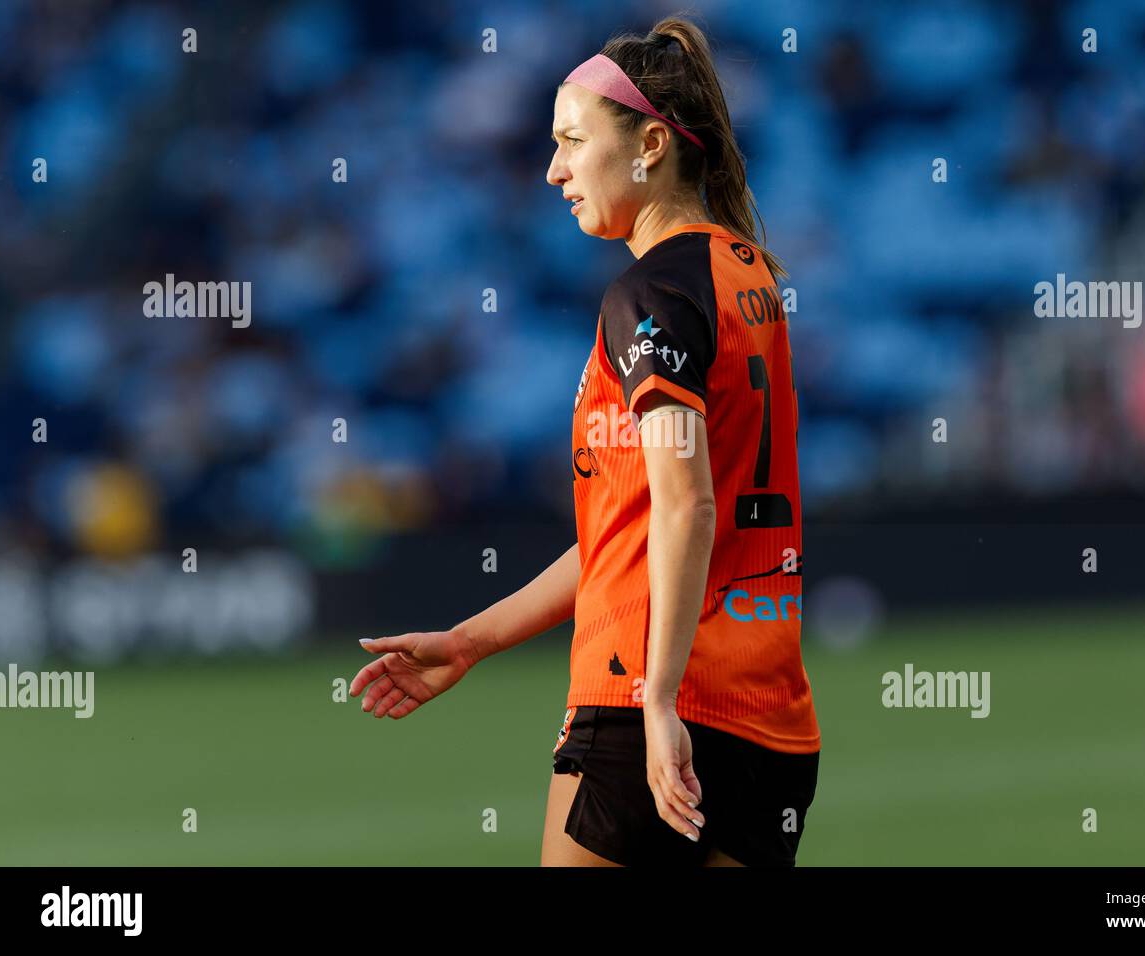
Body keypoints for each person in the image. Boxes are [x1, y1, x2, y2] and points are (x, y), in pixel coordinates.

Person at [350, 16, 820, 867]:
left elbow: (686, 503)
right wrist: (471, 641)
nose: (554, 170)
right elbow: (632, 532)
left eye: (572, 141)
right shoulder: (751, 276)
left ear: (648, 144)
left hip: (642, 696)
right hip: (771, 715)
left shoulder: (648, 296)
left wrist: (661, 699)